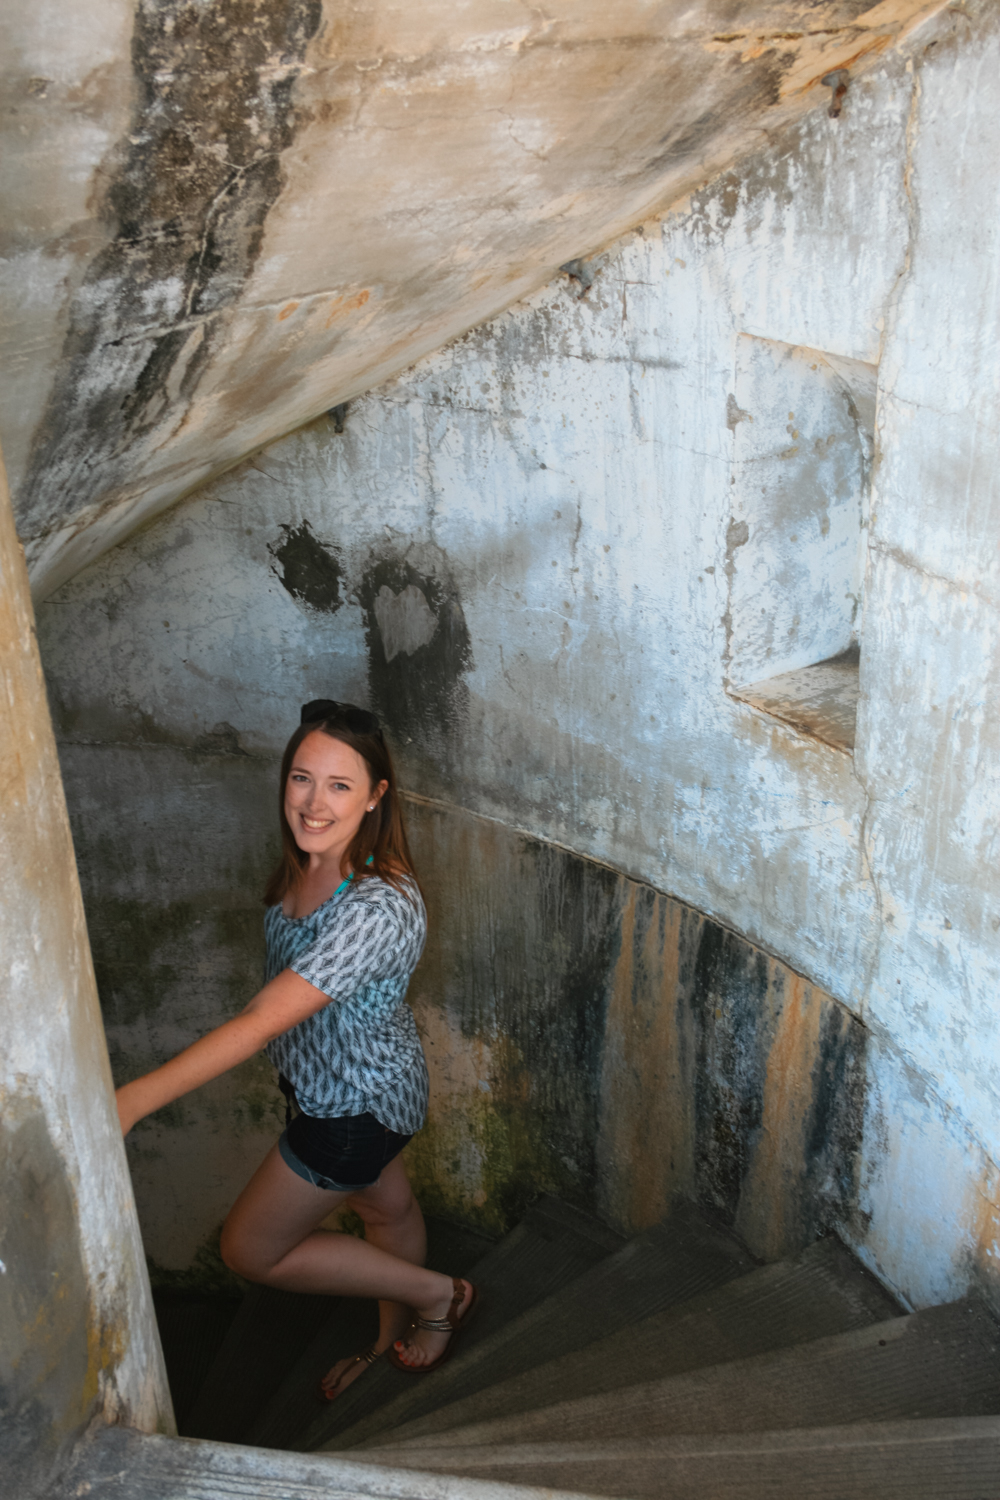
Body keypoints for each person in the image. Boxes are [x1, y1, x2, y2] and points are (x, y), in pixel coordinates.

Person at [115, 699, 476, 1397]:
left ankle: (441, 1296)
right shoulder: (309, 860)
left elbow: (260, 1020)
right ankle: (387, 1342)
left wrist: (129, 1103)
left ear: (375, 796)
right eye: (302, 778)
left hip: (354, 1110)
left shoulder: (375, 908)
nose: (313, 803)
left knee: (249, 1250)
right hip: (358, 1084)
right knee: (386, 1211)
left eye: (339, 785)